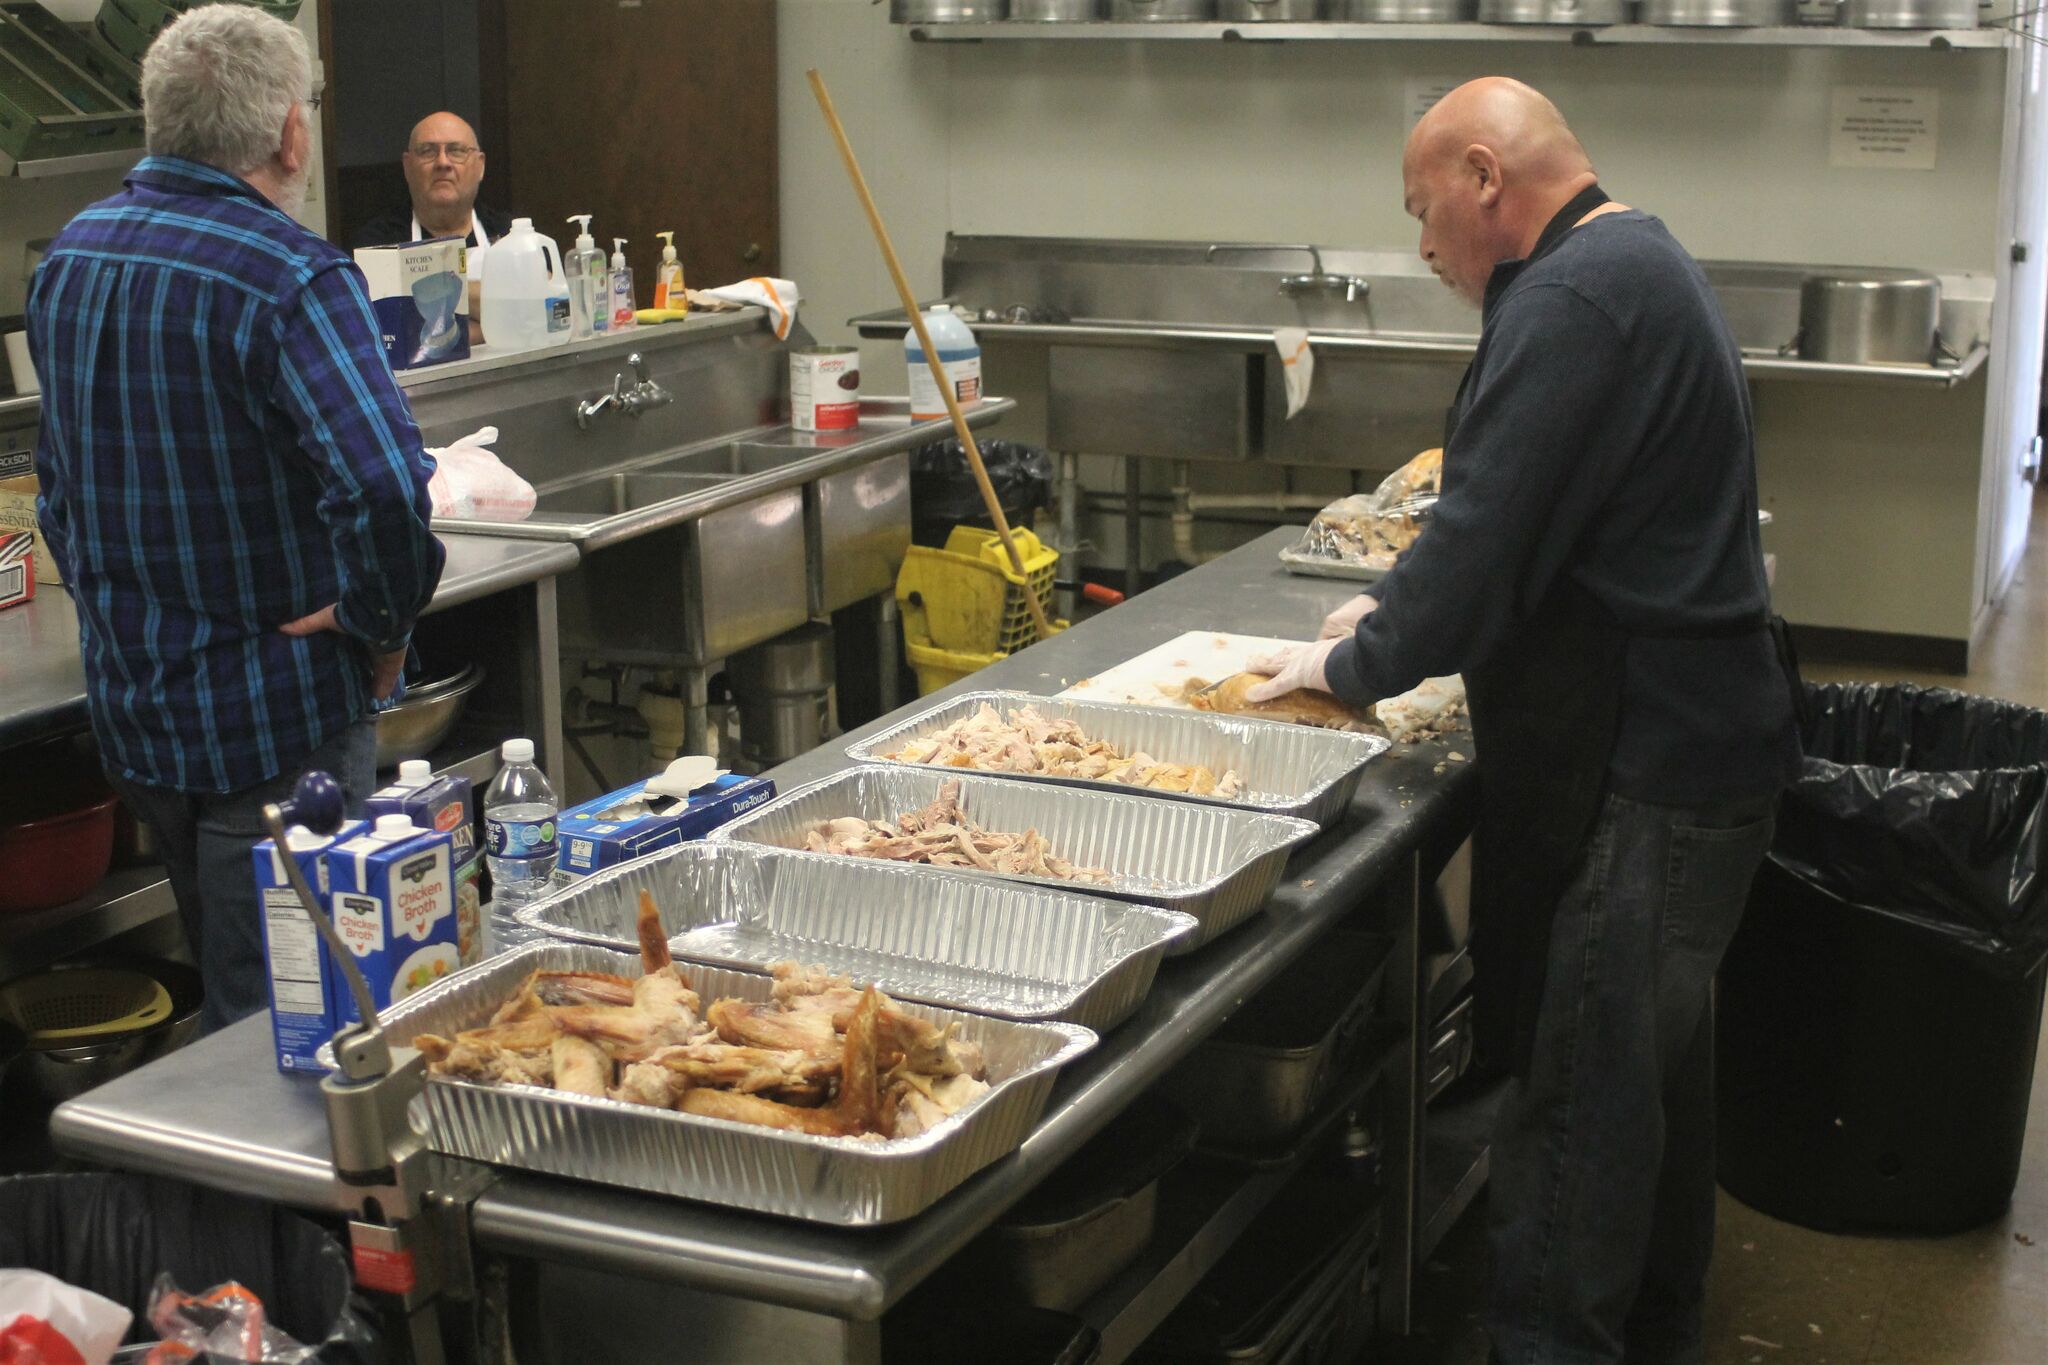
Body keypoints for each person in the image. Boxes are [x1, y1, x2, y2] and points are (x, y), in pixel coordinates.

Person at [1248, 78, 1801, 1365]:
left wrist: (1355, 661)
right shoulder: (1635, 253)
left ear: (1484, 176)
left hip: (1647, 761)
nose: (1422, 243)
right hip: (1704, 742)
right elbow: (1525, 521)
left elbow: (1487, 533)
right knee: (1648, 1087)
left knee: (1578, 1108)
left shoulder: (1566, 302)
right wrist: (1394, 610)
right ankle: (1656, 1330)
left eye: (1421, 208)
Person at [29, 4, 444, 1034]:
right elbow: (389, 488)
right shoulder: (289, 272)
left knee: (232, 996)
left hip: (138, 714)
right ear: (289, 133)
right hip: (275, 723)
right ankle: (274, 1199)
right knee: (295, 1022)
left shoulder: (70, 258)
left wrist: (122, 615)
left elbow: (56, 488)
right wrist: (378, 624)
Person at [351, 111, 511, 340]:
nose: (443, 162)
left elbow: (539, 309)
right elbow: (388, 333)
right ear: (407, 166)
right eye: (428, 151)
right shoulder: (375, 243)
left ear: (480, 166)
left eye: (456, 151)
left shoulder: (509, 232)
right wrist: (494, 316)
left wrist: (426, 297)